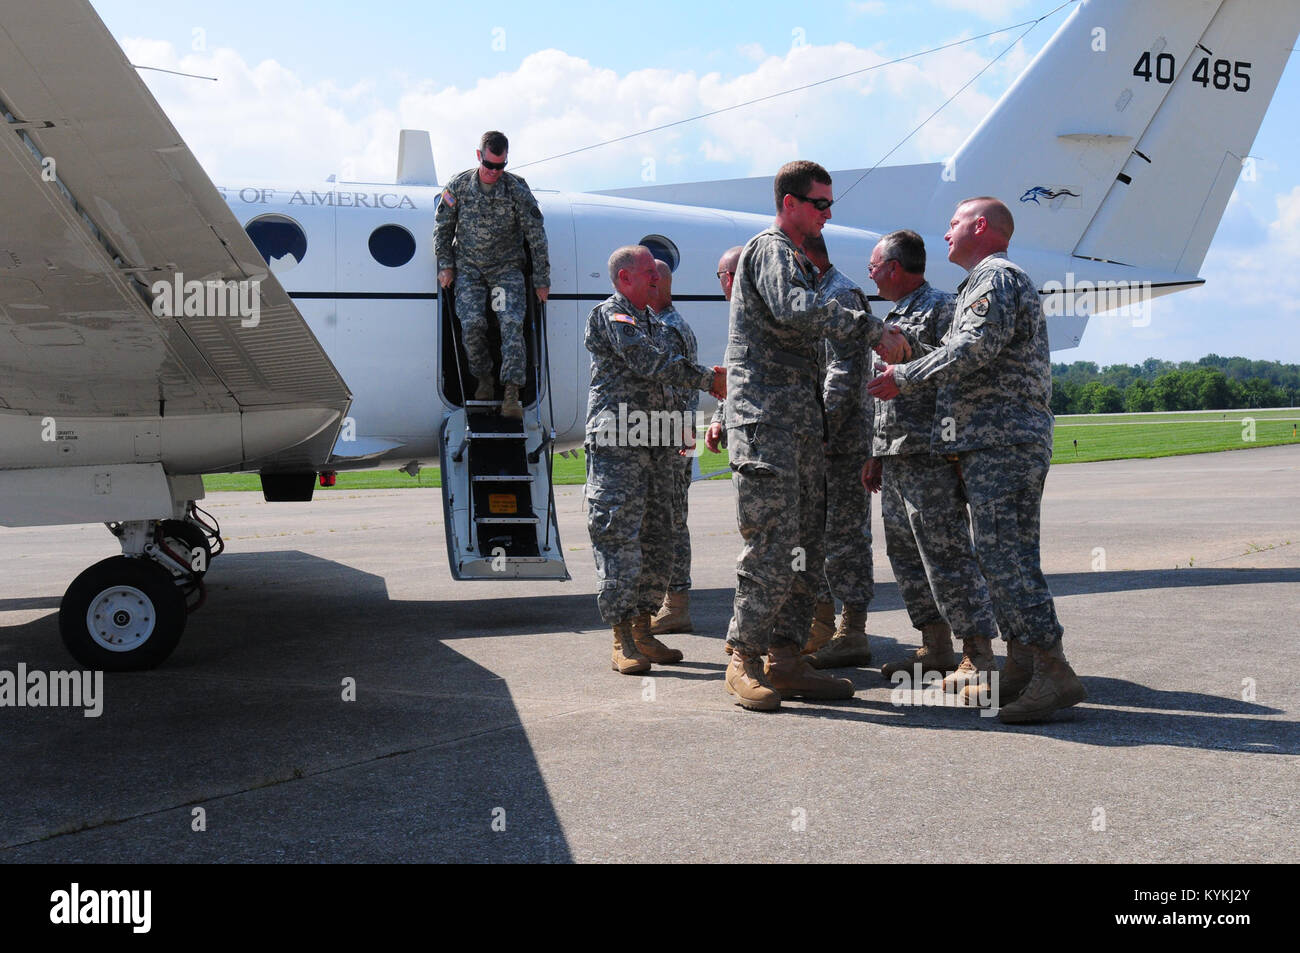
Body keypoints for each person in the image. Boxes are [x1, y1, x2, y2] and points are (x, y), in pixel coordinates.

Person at [867, 198, 1085, 722]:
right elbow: (964, 349)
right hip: (989, 443)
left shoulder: (996, 277)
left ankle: (1053, 669)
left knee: (1008, 558)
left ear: (981, 227)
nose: (946, 234)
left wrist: (905, 375)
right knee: (995, 556)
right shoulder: (981, 282)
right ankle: (1024, 664)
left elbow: (972, 349)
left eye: (954, 223)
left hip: (1004, 440)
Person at [722, 160, 909, 711]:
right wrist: (873, 329)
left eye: (830, 204)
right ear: (789, 204)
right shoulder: (772, 250)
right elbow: (796, 310)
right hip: (767, 425)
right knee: (772, 546)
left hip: (800, 427)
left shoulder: (797, 257)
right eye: (820, 204)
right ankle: (743, 659)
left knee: (807, 547)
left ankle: (787, 659)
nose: (828, 214)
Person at [861, 230, 999, 684]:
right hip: (896, 456)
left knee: (947, 554)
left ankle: (977, 654)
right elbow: (884, 393)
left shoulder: (941, 306)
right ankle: (934, 645)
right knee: (906, 557)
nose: (870, 272)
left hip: (930, 455)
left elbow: (956, 370)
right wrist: (876, 452)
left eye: (875, 265)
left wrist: (952, 448)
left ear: (895, 267)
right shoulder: (892, 316)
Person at [584, 245, 725, 675]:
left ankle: (644, 629)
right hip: (619, 445)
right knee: (619, 538)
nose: (656, 280)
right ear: (625, 277)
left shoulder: (657, 322)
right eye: (648, 273)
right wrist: (708, 378)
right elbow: (649, 363)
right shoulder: (613, 315)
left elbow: (673, 380)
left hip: (660, 446)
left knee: (659, 538)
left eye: (656, 274)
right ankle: (622, 637)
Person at [434, 130, 550, 420]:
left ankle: (511, 392)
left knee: (510, 323)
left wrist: (541, 279)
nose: (495, 172)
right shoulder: (458, 186)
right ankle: (484, 378)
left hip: (505, 270)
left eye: (501, 166)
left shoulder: (516, 190)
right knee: (472, 324)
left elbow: (536, 234)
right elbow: (443, 227)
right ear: (479, 156)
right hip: (470, 269)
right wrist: (445, 264)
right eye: (490, 165)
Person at [799, 233, 876, 669]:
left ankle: (853, 630)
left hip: (840, 438)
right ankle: (824, 623)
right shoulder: (814, 296)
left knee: (846, 536)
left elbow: (843, 369)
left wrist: (821, 425)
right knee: (820, 535)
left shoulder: (840, 294)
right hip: (821, 436)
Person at [648, 260, 700, 636]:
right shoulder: (664, 325)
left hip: (671, 441)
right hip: (671, 436)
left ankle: (676, 604)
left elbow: (675, 391)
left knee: (671, 523)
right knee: (668, 520)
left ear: (659, 286)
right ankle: (671, 600)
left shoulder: (667, 329)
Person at [704, 246, 743, 455]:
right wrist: (719, 418)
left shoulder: (766, 318)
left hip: (762, 441)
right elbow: (732, 375)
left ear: (728, 277)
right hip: (741, 438)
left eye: (719, 276)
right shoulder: (738, 318)